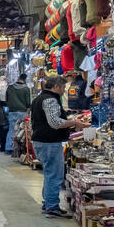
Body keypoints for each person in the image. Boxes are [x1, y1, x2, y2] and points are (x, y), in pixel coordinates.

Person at [30, 75, 85, 216]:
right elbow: (54, 122)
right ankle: (52, 206)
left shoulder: (39, 99)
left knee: (49, 174)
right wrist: (75, 123)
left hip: (43, 141)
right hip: (49, 142)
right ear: (56, 86)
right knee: (55, 175)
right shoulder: (50, 100)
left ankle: (48, 203)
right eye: (63, 87)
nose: (64, 90)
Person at [6, 75, 31, 155]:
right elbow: (28, 102)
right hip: (22, 112)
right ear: (24, 80)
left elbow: (6, 99)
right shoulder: (26, 89)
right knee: (21, 131)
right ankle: (20, 149)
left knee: (11, 129)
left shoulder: (10, 88)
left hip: (12, 111)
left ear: (18, 79)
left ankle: (9, 148)